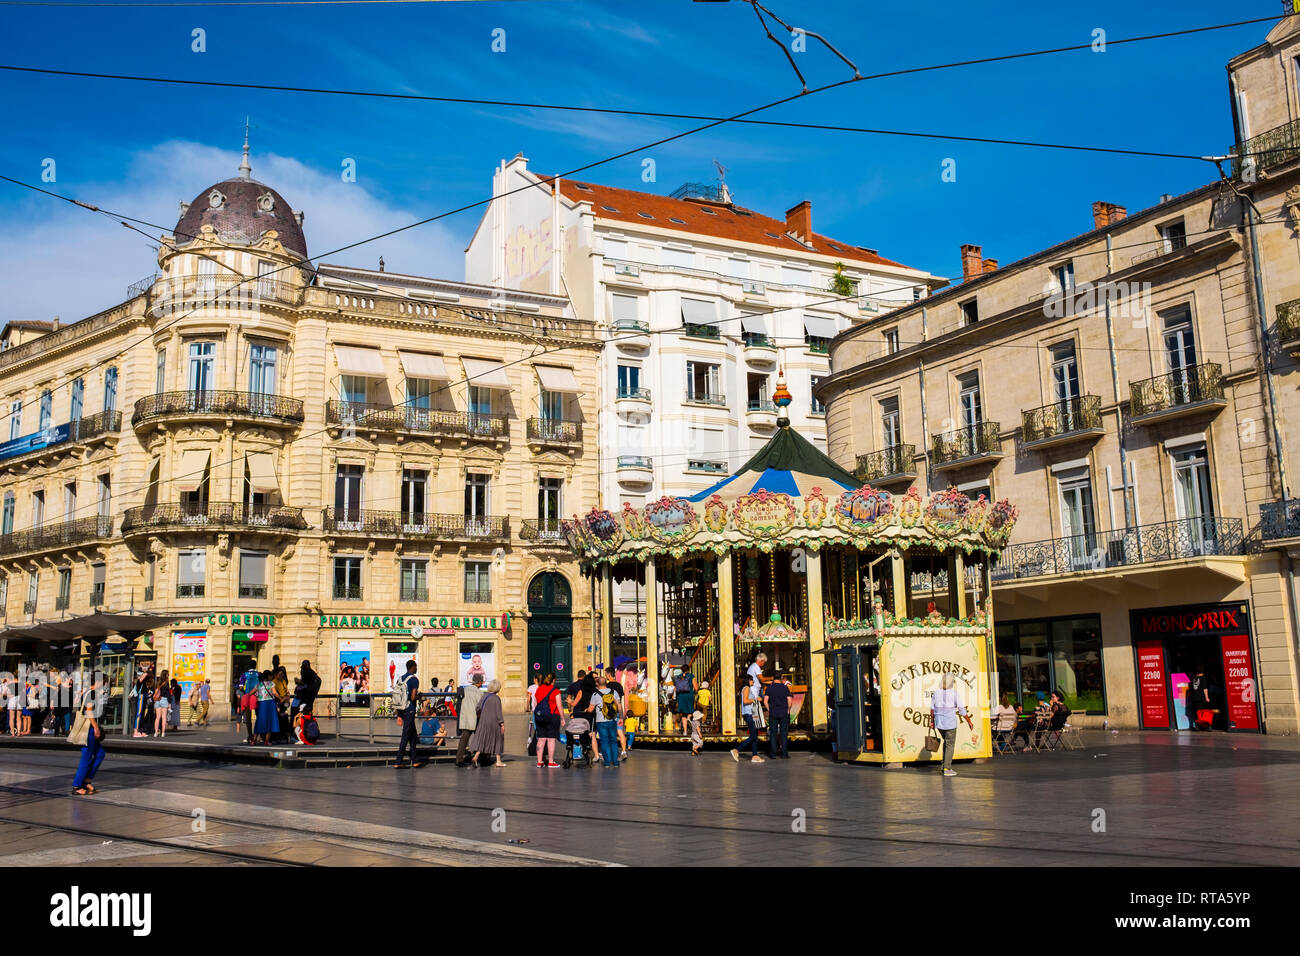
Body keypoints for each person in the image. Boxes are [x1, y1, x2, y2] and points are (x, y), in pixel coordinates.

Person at [930, 673, 973, 776]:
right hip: (949, 723)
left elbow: (932, 709)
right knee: (950, 744)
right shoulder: (954, 694)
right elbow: (962, 710)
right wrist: (969, 721)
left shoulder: (936, 693)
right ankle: (947, 769)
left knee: (946, 743)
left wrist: (932, 722)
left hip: (939, 723)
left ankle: (943, 766)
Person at [71, 678, 105, 797]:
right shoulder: (91, 693)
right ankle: (77, 786)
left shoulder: (86, 692)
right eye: (103, 682)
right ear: (98, 682)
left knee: (100, 754)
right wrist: (95, 727)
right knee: (86, 757)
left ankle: (87, 780)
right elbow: (89, 711)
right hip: (88, 730)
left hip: (89, 729)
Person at [468, 679, 506, 768]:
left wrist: (480, 715)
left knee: (483, 739)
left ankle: (476, 757)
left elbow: (477, 708)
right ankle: (498, 761)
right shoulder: (496, 698)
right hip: (494, 722)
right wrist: (502, 724)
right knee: (498, 739)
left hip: (483, 721)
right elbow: (498, 712)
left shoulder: (484, 696)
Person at [393, 660, 424, 769]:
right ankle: (398, 761)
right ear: (413, 667)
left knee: (413, 736)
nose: (417, 668)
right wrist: (419, 697)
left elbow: (397, 697)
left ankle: (415, 760)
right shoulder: (414, 679)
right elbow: (412, 697)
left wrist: (399, 715)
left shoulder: (400, 679)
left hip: (401, 708)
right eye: (416, 666)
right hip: (410, 709)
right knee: (405, 736)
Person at [590, 672, 622, 768]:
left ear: (597, 684)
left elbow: (591, 709)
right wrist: (621, 717)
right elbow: (619, 705)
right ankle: (615, 762)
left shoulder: (595, 694)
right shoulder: (614, 692)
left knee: (604, 741)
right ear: (606, 683)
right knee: (613, 740)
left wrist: (586, 710)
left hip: (601, 721)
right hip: (612, 719)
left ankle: (607, 762)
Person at [730, 678, 765, 763]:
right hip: (749, 714)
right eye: (752, 680)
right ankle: (737, 750)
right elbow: (745, 701)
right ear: (748, 681)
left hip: (750, 714)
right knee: (753, 736)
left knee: (755, 735)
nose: (753, 682)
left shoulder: (746, 688)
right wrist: (756, 699)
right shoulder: (747, 688)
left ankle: (755, 756)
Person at [533, 673, 563, 768]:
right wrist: (562, 718)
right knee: (551, 739)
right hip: (552, 716)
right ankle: (550, 761)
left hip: (540, 716)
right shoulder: (555, 691)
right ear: (553, 680)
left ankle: (539, 761)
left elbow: (536, 702)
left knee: (541, 738)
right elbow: (559, 705)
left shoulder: (539, 689)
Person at [457, 673, 485, 767]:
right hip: (475, 719)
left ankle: (459, 760)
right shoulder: (479, 692)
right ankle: (484, 758)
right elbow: (480, 707)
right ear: (479, 682)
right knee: (481, 737)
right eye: (481, 682)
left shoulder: (465, 689)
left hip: (465, 718)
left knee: (464, 739)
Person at [763, 673, 793, 759]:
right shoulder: (784, 687)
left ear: (773, 678)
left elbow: (765, 701)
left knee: (773, 734)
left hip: (773, 713)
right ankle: (784, 754)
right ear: (780, 678)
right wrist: (788, 710)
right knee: (784, 733)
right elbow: (789, 700)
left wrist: (769, 709)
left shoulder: (769, 688)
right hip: (784, 712)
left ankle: (773, 754)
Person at [253, 670, 281, 745]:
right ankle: (266, 741)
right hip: (270, 704)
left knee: (259, 720)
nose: (272, 677)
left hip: (261, 704)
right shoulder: (271, 683)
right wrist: (280, 698)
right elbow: (274, 693)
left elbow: (251, 693)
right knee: (269, 721)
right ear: (268, 676)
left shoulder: (258, 684)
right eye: (271, 675)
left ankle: (254, 740)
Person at [674, 665, 697, 736]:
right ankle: (689, 718)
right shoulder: (691, 676)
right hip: (689, 695)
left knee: (683, 714)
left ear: (681, 670)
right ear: (688, 669)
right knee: (690, 710)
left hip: (681, 697)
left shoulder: (678, 676)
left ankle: (685, 731)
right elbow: (696, 688)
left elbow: (675, 688)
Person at [152, 670, 172, 738]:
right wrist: (169, 702)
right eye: (168, 674)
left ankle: (156, 732)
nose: (168, 676)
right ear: (166, 675)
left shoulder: (158, 682)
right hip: (164, 700)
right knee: (164, 718)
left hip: (157, 700)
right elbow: (168, 694)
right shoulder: (166, 683)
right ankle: (163, 733)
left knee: (157, 718)